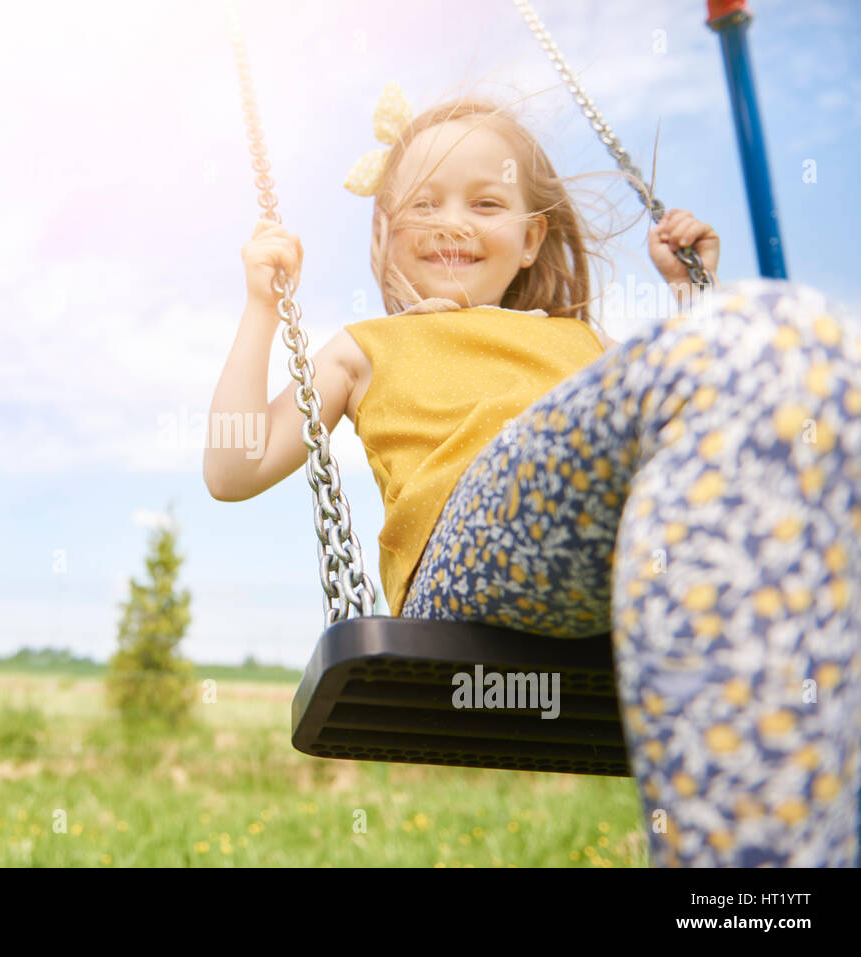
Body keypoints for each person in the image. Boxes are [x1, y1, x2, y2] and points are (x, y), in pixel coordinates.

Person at [203, 83, 860, 867]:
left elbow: (686, 448)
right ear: (384, 232)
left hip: (607, 568)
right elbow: (233, 465)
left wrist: (693, 299)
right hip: (463, 557)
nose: (451, 221)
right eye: (424, 203)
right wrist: (260, 305)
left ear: (529, 237)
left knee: (806, 356)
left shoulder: (581, 343)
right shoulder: (366, 346)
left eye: (485, 203)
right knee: (769, 333)